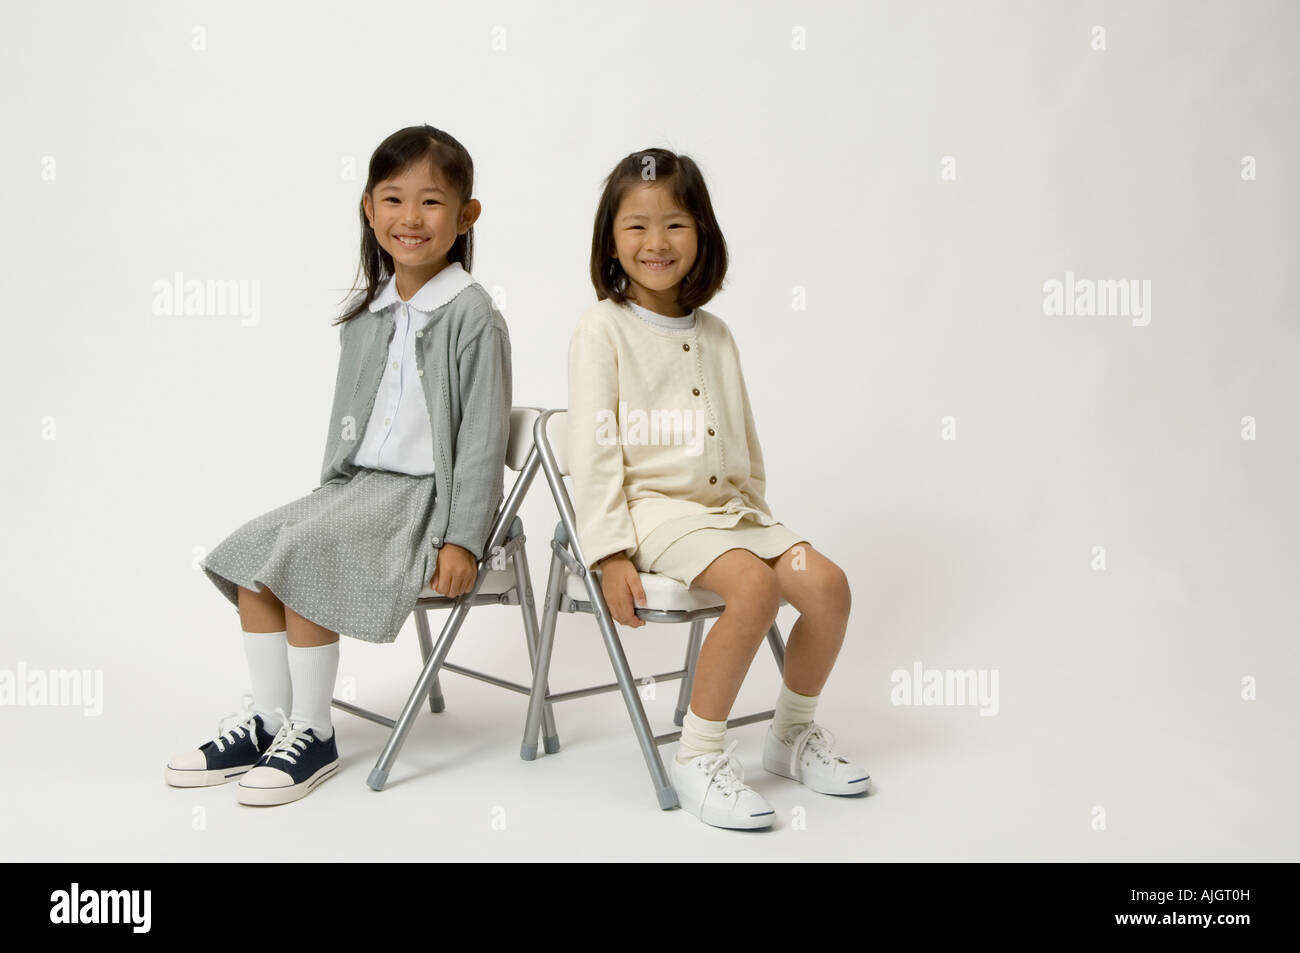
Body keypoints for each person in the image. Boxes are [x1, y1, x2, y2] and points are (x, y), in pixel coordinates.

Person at [164, 125, 511, 806]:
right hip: (358, 489)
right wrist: (326, 494)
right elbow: (346, 425)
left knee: (307, 551)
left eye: (432, 203)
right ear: (368, 208)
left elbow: (480, 441)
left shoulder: (474, 316)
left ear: (467, 215)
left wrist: (464, 536)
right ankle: (270, 718)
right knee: (254, 549)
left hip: (422, 502)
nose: (410, 219)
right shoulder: (367, 316)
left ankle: (314, 732)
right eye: (393, 199)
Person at [567, 148, 869, 829]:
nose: (655, 242)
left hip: (733, 516)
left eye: (674, 223)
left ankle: (791, 734)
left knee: (826, 584)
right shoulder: (601, 330)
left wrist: (767, 526)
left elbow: (744, 440)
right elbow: (592, 453)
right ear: (610, 240)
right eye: (635, 226)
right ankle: (700, 754)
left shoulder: (717, 333)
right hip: (656, 516)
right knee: (754, 590)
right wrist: (609, 552)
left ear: (702, 232)